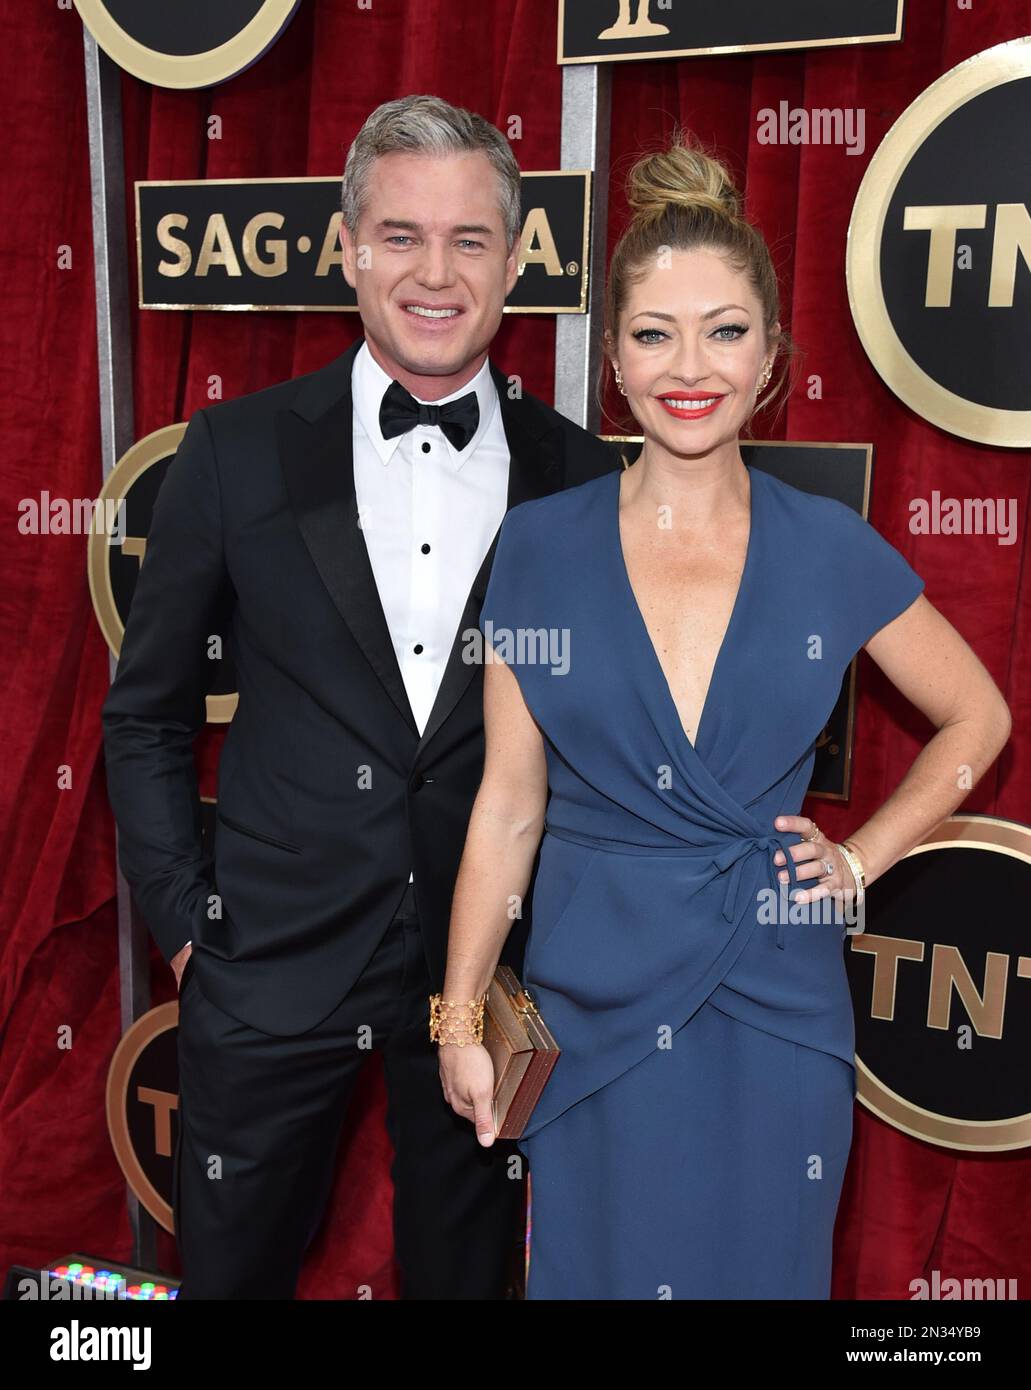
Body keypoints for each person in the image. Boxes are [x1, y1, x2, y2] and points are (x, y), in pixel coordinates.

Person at [436, 137, 1011, 1299]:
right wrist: (457, 1012)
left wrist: (858, 857)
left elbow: (974, 718)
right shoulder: (538, 550)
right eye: (653, 333)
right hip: (589, 1005)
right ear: (611, 360)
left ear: (770, 360)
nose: (687, 364)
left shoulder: (829, 550)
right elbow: (506, 805)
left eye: (724, 330)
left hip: (771, 1002)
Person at [101, 94, 621, 1300]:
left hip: (497, 973)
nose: (433, 274)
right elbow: (146, 714)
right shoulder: (231, 451)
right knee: (231, 1274)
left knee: (469, 1276)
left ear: (513, 255)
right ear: (347, 247)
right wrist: (189, 926)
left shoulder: (582, 477)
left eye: (468, 240)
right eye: (400, 236)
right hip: (269, 955)